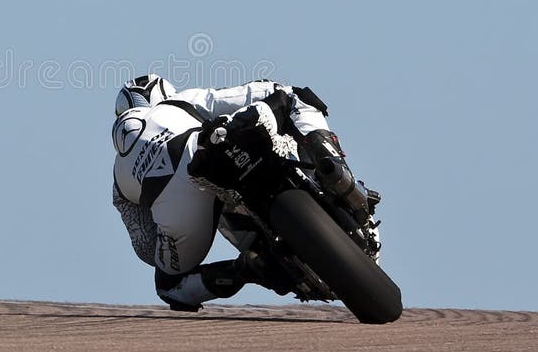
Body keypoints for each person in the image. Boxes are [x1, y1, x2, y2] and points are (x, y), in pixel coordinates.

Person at [111, 74, 378, 311]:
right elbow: (264, 90)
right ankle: (337, 174)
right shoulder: (179, 102)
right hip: (218, 139)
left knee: (168, 286)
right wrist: (274, 104)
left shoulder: (118, 178)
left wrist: (168, 225)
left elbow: (145, 246)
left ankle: (248, 269)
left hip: (181, 203)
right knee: (295, 97)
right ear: (161, 93)